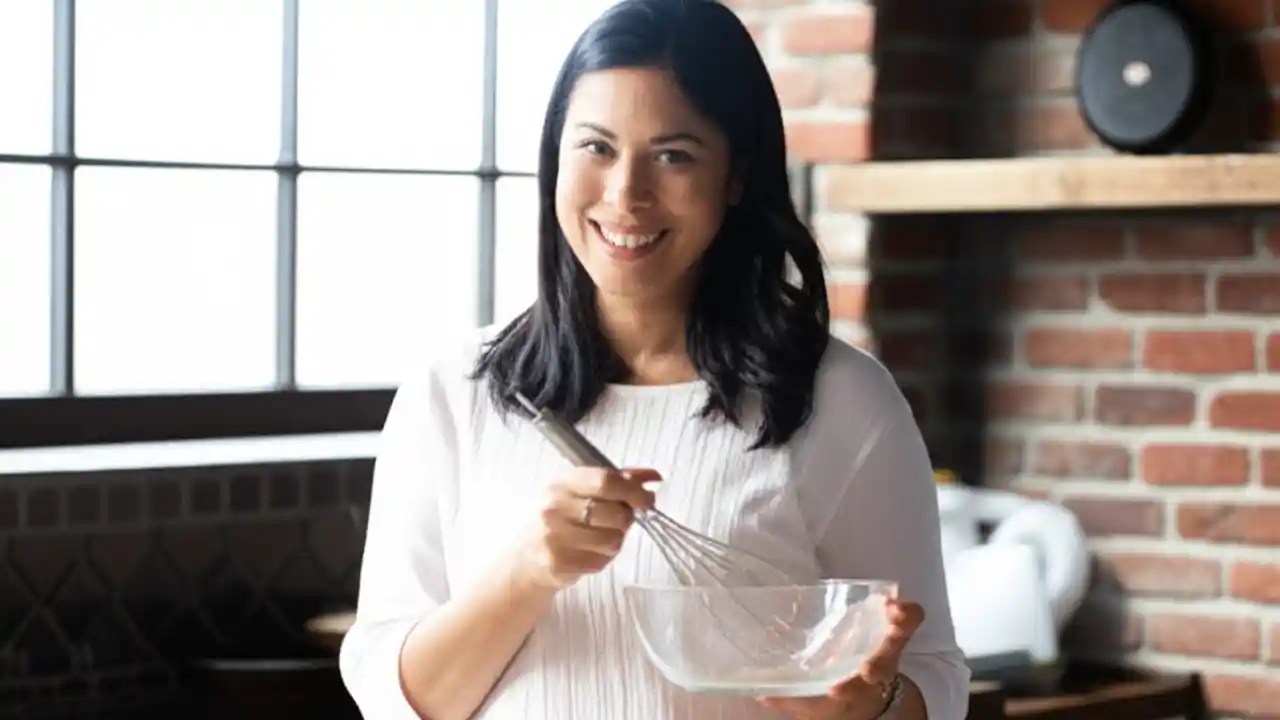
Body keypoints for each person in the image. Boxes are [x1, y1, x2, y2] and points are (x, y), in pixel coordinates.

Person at [338, 0, 970, 718]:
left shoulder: (842, 402)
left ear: (737, 174)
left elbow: (937, 683)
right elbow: (389, 695)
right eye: (597, 148)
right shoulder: (454, 392)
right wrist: (527, 572)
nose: (626, 194)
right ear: (554, 159)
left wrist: (866, 707)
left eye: (673, 155)